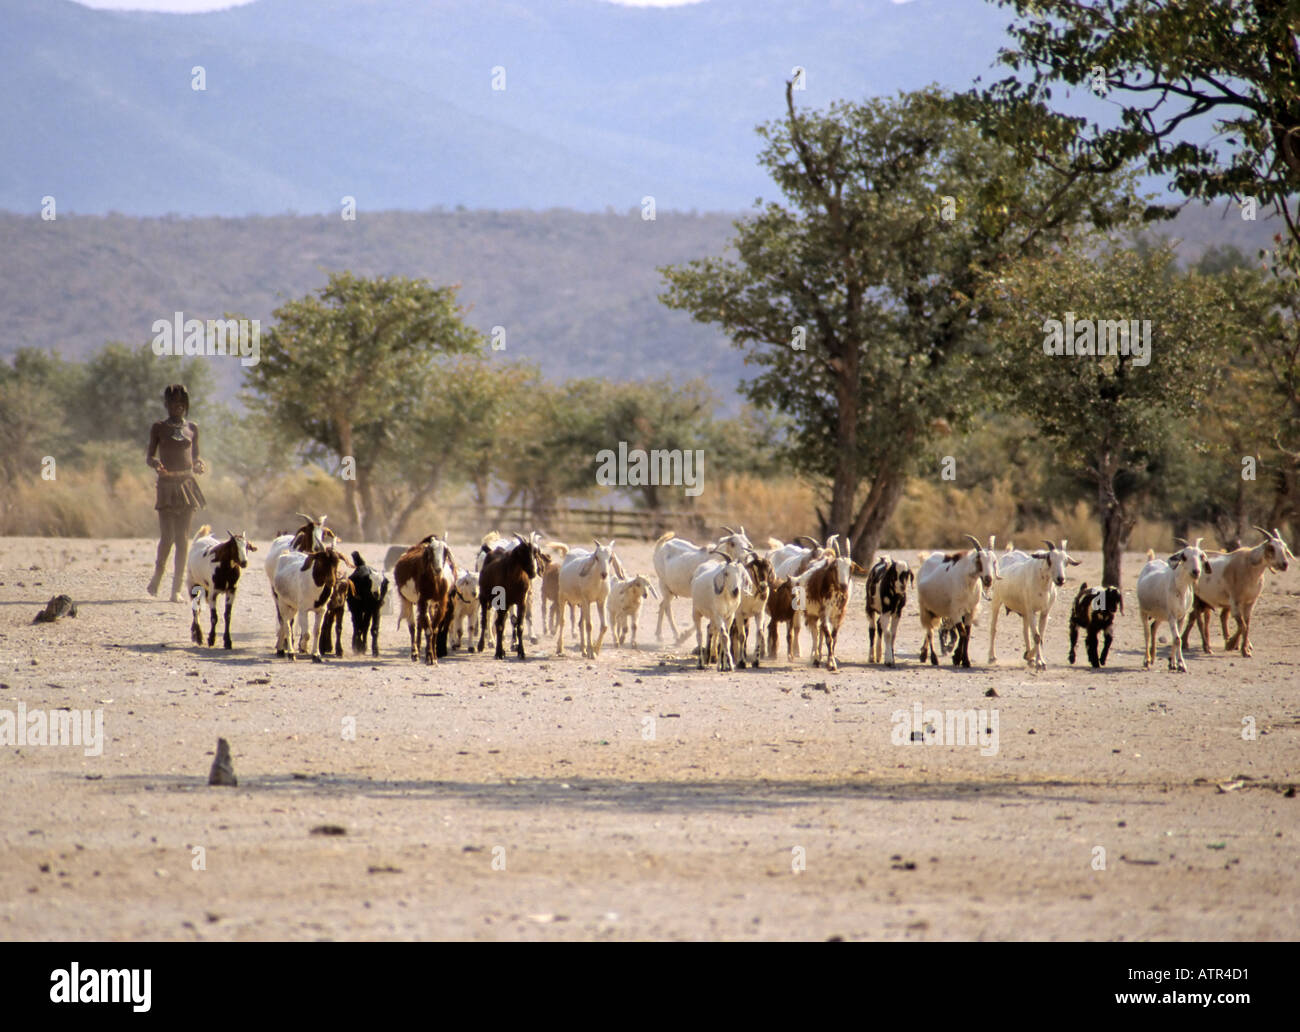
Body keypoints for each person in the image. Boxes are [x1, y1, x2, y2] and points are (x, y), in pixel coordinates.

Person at [145, 384, 207, 601]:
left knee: (183, 539)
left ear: (186, 405)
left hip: (187, 486)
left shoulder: (193, 428)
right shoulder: (159, 428)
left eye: (181, 404)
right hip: (166, 486)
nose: (178, 408)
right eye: (173, 404)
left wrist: (199, 464)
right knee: (167, 537)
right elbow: (150, 456)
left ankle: (176, 589)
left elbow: (196, 456)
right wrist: (155, 463)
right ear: (167, 405)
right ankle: (158, 575)